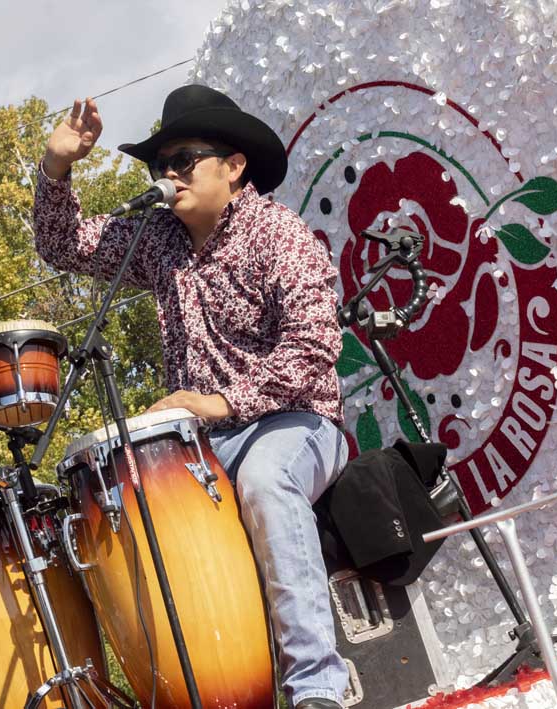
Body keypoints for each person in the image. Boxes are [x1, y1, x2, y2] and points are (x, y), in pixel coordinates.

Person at [33, 84, 348, 709]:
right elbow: (63, 245)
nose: (168, 174)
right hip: (201, 445)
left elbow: (314, 348)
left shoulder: (278, 235)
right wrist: (56, 167)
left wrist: (220, 403)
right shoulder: (158, 241)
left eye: (184, 160)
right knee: (137, 516)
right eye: (160, 164)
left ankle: (317, 690)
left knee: (265, 481)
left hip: (297, 423)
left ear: (234, 167)